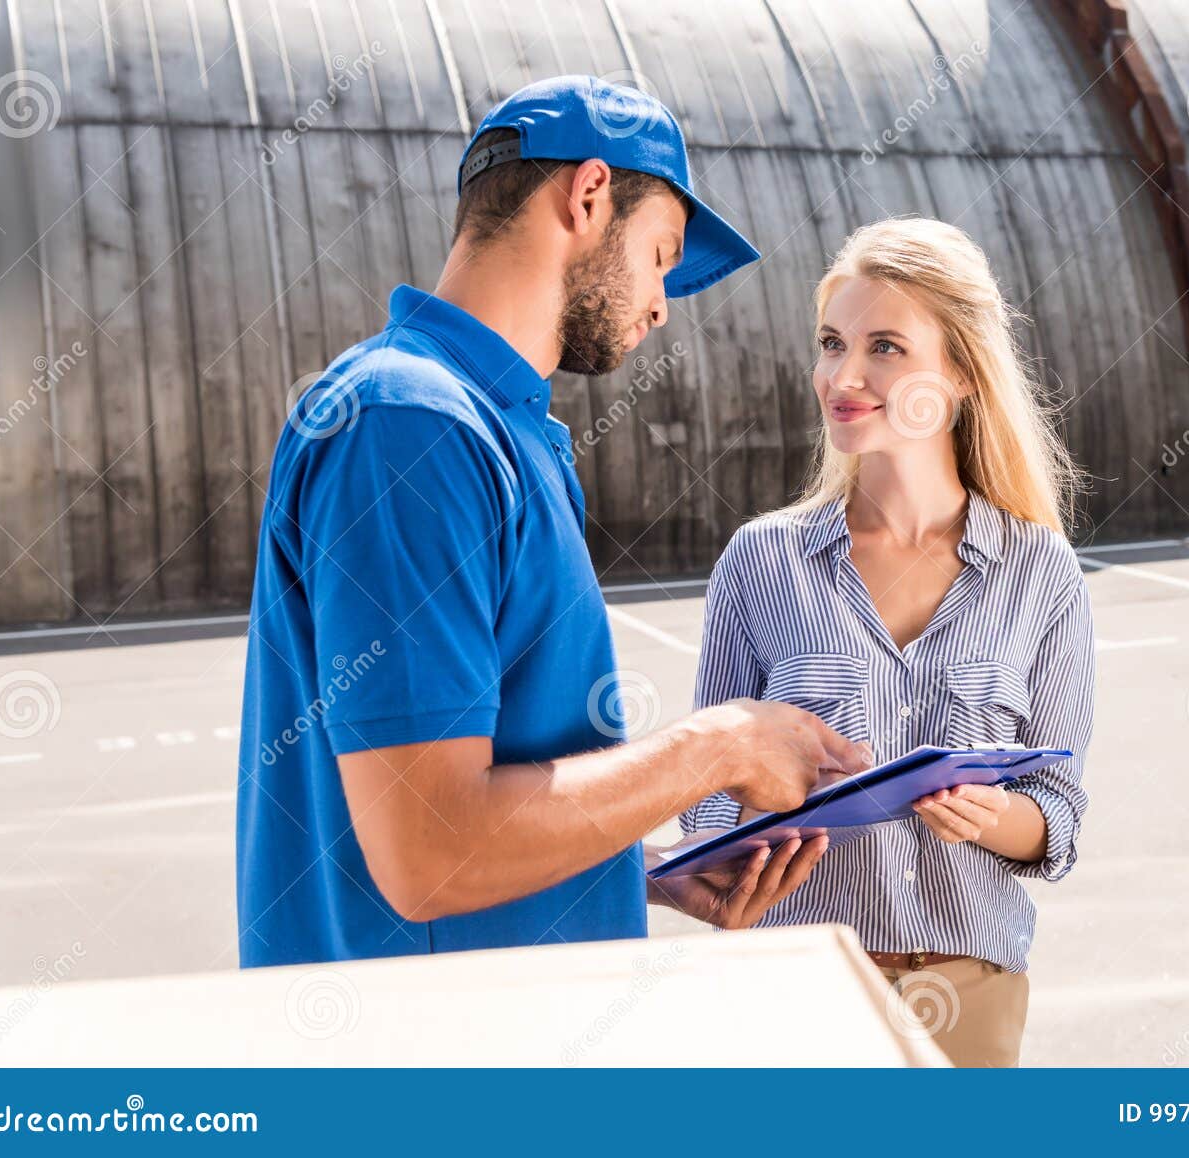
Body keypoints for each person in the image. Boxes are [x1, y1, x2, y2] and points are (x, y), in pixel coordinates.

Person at [236, 76, 871, 968]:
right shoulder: (411, 428)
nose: (660, 303)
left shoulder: (500, 431)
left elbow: (495, 786)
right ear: (588, 196)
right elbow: (433, 851)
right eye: (660, 255)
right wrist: (722, 743)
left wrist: (635, 863)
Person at [679, 218, 1096, 1066]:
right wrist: (740, 829)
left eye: (885, 347)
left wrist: (988, 817)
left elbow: (1057, 819)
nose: (844, 375)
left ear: (961, 375)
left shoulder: (1040, 571)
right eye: (832, 343)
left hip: (972, 993)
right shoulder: (761, 562)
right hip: (797, 982)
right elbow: (705, 802)